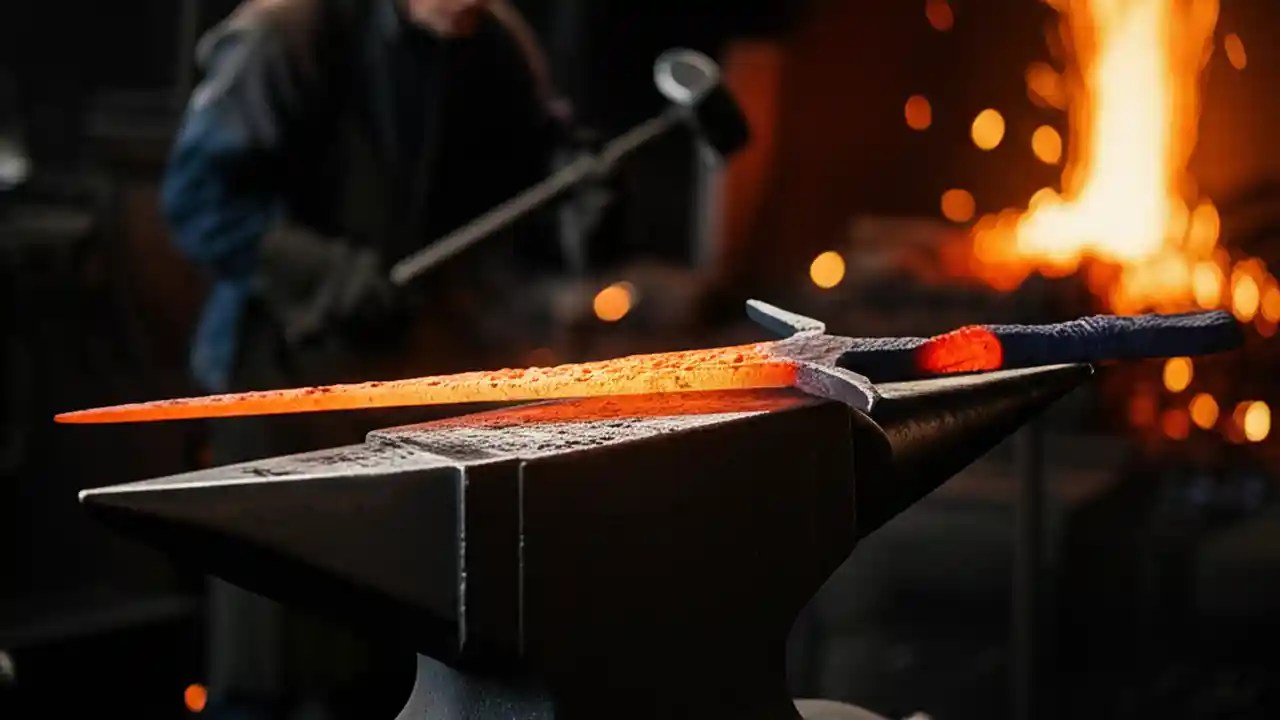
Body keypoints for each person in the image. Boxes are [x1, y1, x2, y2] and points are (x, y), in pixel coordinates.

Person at [160, 0, 588, 714]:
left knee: (404, 655)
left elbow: (538, 166)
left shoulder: (497, 43)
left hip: (417, 381)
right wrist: (324, 271)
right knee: (283, 664)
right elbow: (198, 201)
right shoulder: (287, 35)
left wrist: (583, 190)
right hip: (283, 384)